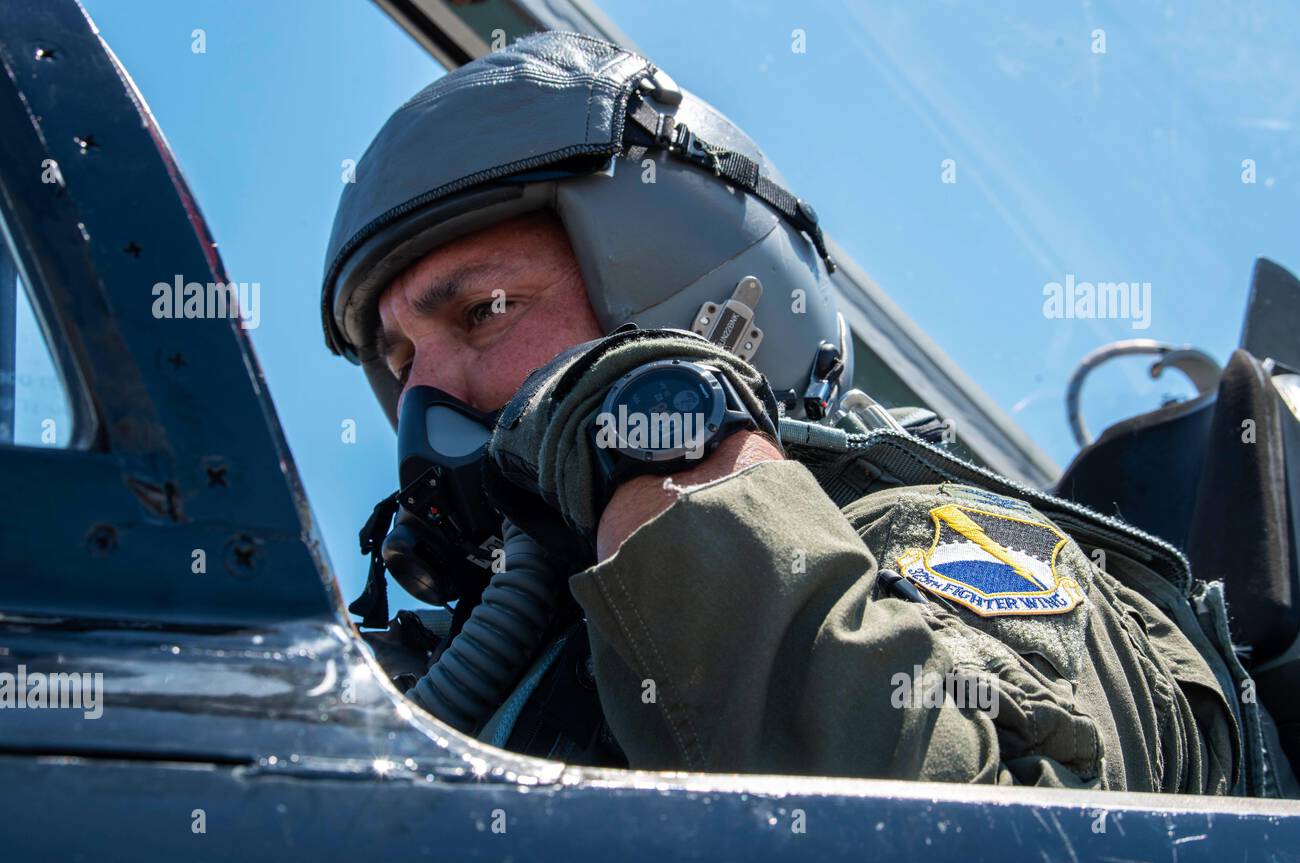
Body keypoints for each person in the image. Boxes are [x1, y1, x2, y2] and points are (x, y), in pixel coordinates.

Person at [321, 32, 1290, 794]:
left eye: (485, 310)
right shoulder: (451, 684)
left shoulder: (932, 540)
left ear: (702, 301)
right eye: (399, 359)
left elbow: (998, 831)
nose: (424, 397)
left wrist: (671, 440)